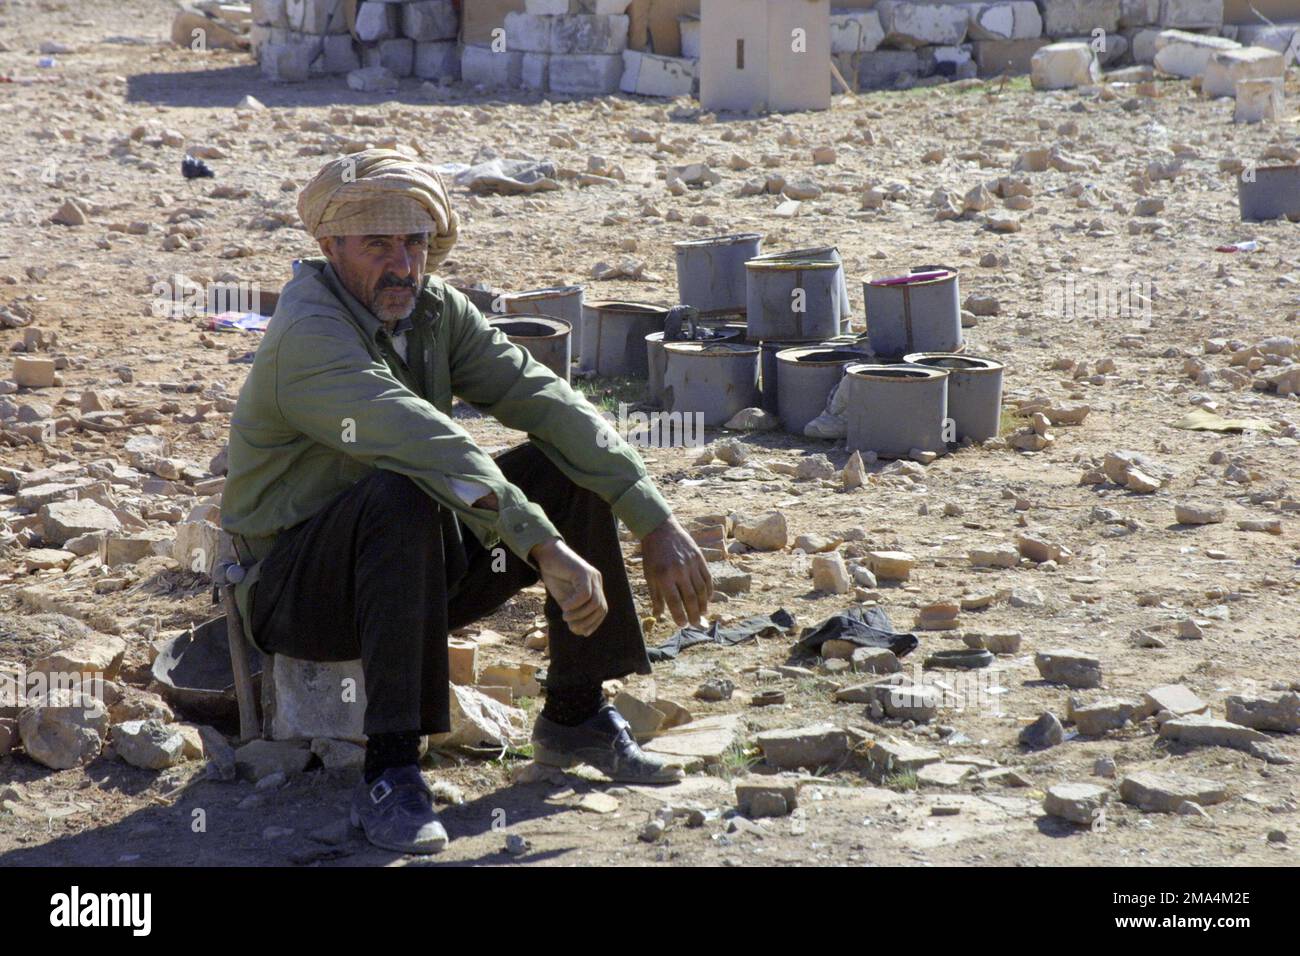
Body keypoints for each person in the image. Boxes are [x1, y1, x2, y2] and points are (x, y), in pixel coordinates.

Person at [219, 149, 712, 854]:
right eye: (379, 244)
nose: (403, 264)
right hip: (298, 591)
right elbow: (423, 442)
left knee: (564, 465)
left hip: (410, 576)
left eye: (416, 243)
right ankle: (391, 771)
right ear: (330, 248)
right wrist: (541, 545)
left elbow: (540, 396)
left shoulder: (434, 311)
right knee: (400, 490)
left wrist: (651, 515)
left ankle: (576, 713)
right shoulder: (310, 334)